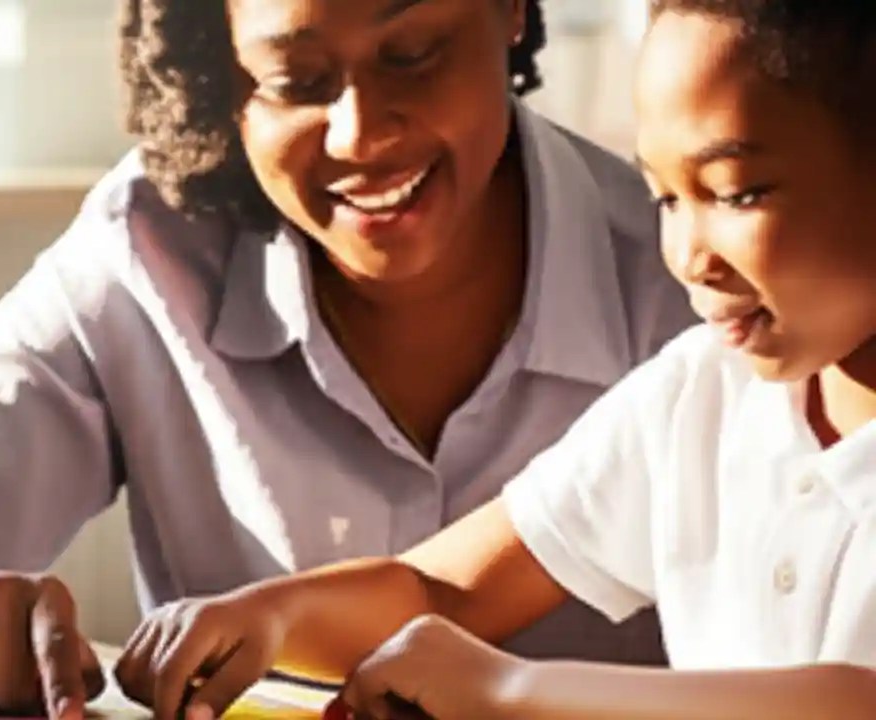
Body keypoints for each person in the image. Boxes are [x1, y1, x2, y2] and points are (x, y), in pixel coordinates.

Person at [0, 0, 692, 716]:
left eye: (415, 54)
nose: (362, 132)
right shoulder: (153, 253)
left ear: (510, 11)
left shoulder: (695, 279)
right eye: (294, 80)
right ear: (223, 78)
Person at [112, 1, 876, 718]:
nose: (687, 257)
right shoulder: (698, 395)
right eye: (666, 199)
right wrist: (270, 617)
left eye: (737, 194)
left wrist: (517, 692)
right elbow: (446, 590)